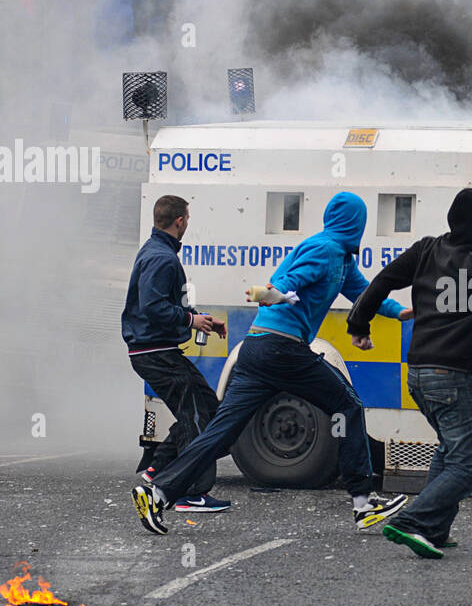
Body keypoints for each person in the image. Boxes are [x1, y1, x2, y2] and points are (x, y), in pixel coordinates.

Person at [133, 192, 411, 535]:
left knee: (221, 430)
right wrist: (275, 291)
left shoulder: (342, 260)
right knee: (348, 405)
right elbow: (290, 280)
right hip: (282, 349)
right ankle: (363, 503)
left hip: (258, 350)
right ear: (357, 222)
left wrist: (402, 312)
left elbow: (366, 295)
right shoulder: (324, 249)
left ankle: (157, 492)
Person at [346, 188, 472, 559]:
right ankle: (412, 521)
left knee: (449, 449)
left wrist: (358, 324)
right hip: (454, 378)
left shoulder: (426, 249)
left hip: (418, 375)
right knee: (468, 464)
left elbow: (382, 281)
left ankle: (434, 529)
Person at [122, 195, 230, 518]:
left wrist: (201, 319)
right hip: (155, 353)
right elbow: (153, 306)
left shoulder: (158, 253)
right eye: (187, 219)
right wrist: (189, 320)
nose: (187, 225)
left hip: (158, 351)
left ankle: (158, 469)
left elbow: (170, 304)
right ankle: (191, 492)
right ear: (180, 221)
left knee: (205, 407)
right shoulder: (162, 259)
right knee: (196, 414)